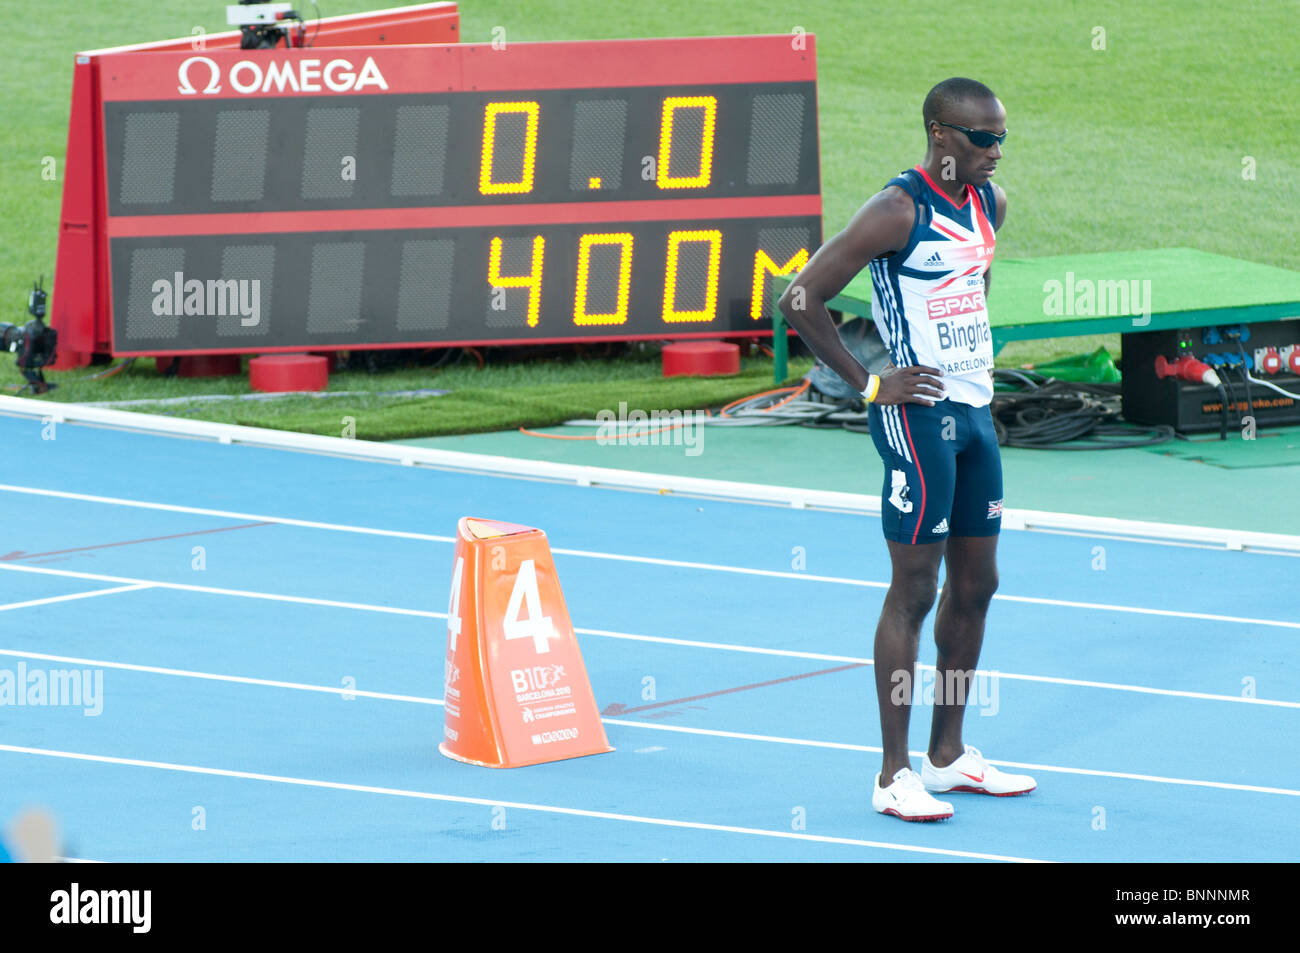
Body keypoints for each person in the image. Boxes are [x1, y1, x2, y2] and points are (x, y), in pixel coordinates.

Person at [778, 77, 1035, 822]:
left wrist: (971, 361)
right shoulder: (898, 209)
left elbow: (970, 285)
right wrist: (868, 383)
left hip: (975, 413)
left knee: (978, 585)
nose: (994, 151)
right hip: (916, 419)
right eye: (981, 139)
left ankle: (947, 755)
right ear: (940, 134)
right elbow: (800, 299)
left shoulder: (992, 203)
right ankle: (893, 774)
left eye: (1001, 138)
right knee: (916, 588)